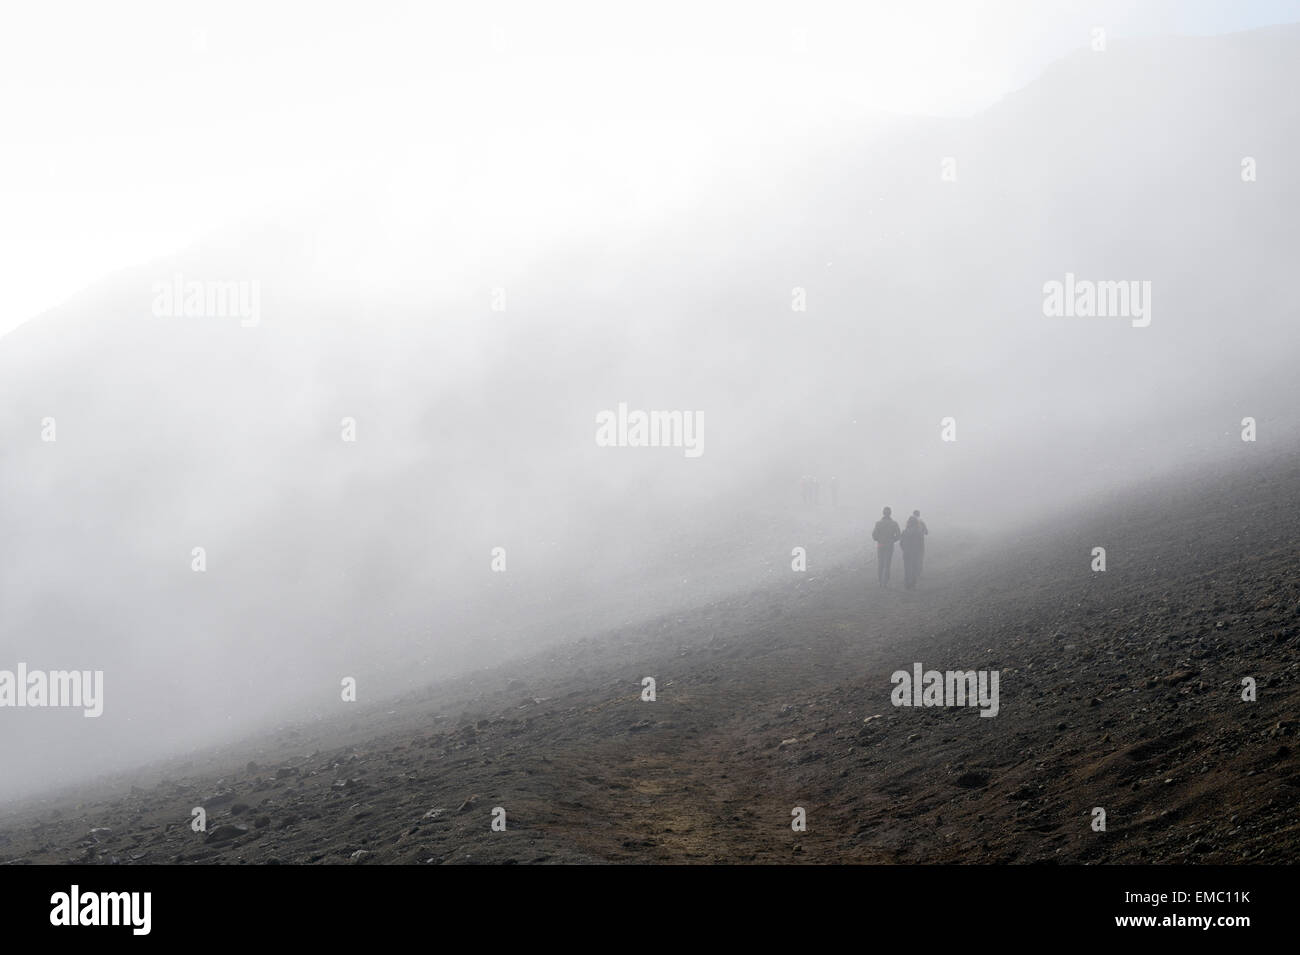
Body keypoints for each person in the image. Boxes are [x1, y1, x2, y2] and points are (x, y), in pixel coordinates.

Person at [871, 506, 901, 587]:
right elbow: (898, 535)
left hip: (880, 545)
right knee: (887, 564)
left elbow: (874, 535)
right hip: (889, 545)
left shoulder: (878, 523)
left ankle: (880, 581)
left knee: (880, 563)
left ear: (883, 513)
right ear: (890, 513)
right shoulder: (894, 523)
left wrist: (879, 540)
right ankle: (885, 581)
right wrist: (892, 540)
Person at [899, 514, 926, 590]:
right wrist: (921, 552)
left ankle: (907, 584)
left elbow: (901, 543)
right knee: (914, 568)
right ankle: (913, 584)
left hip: (906, 553)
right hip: (916, 553)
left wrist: (904, 549)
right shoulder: (919, 532)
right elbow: (921, 544)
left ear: (908, 523)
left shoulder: (904, 532)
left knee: (907, 568)